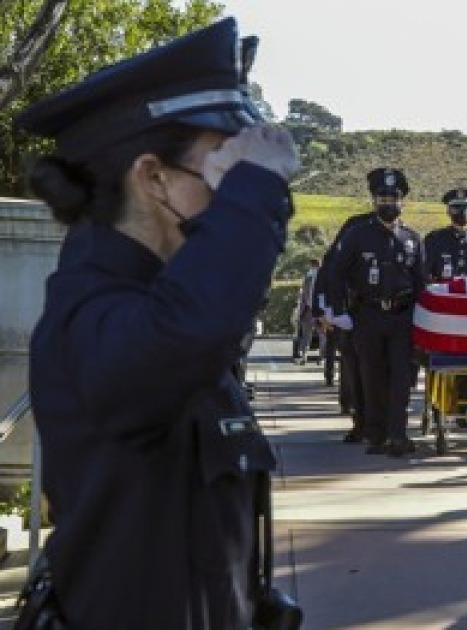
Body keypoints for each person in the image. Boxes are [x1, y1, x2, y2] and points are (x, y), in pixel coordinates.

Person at [19, 18, 300, 627]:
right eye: (219, 172)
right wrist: (255, 189)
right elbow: (190, 327)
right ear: (152, 179)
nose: (228, 196)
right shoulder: (92, 315)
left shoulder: (162, 301)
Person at [327, 167, 426, 457]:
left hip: (402, 316)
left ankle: (398, 434)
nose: (388, 204)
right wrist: (338, 311)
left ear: (402, 201)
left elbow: (421, 282)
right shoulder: (357, 235)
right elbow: (335, 273)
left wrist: (423, 319)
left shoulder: (412, 238)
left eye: (393, 198)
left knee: (401, 378)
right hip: (367, 314)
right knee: (372, 377)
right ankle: (377, 434)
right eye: (383, 198)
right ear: (373, 200)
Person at [313, 179, 377, 441]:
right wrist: (322, 308)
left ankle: (379, 422)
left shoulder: (402, 232)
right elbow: (331, 266)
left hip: (389, 315)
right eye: (380, 196)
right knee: (354, 368)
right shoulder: (355, 226)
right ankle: (359, 418)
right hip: (354, 312)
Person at [425, 187, 467, 427]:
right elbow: (426, 276)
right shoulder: (435, 241)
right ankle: (438, 408)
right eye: (457, 209)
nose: (462, 213)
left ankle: (462, 409)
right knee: (440, 363)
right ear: (448, 211)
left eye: (465, 208)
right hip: (443, 313)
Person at [292, 258, 325, 365]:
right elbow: (303, 296)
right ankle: (306, 357)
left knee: (319, 335)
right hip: (310, 311)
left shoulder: (323, 278)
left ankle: (319, 357)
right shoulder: (308, 278)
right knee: (309, 335)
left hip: (317, 311)